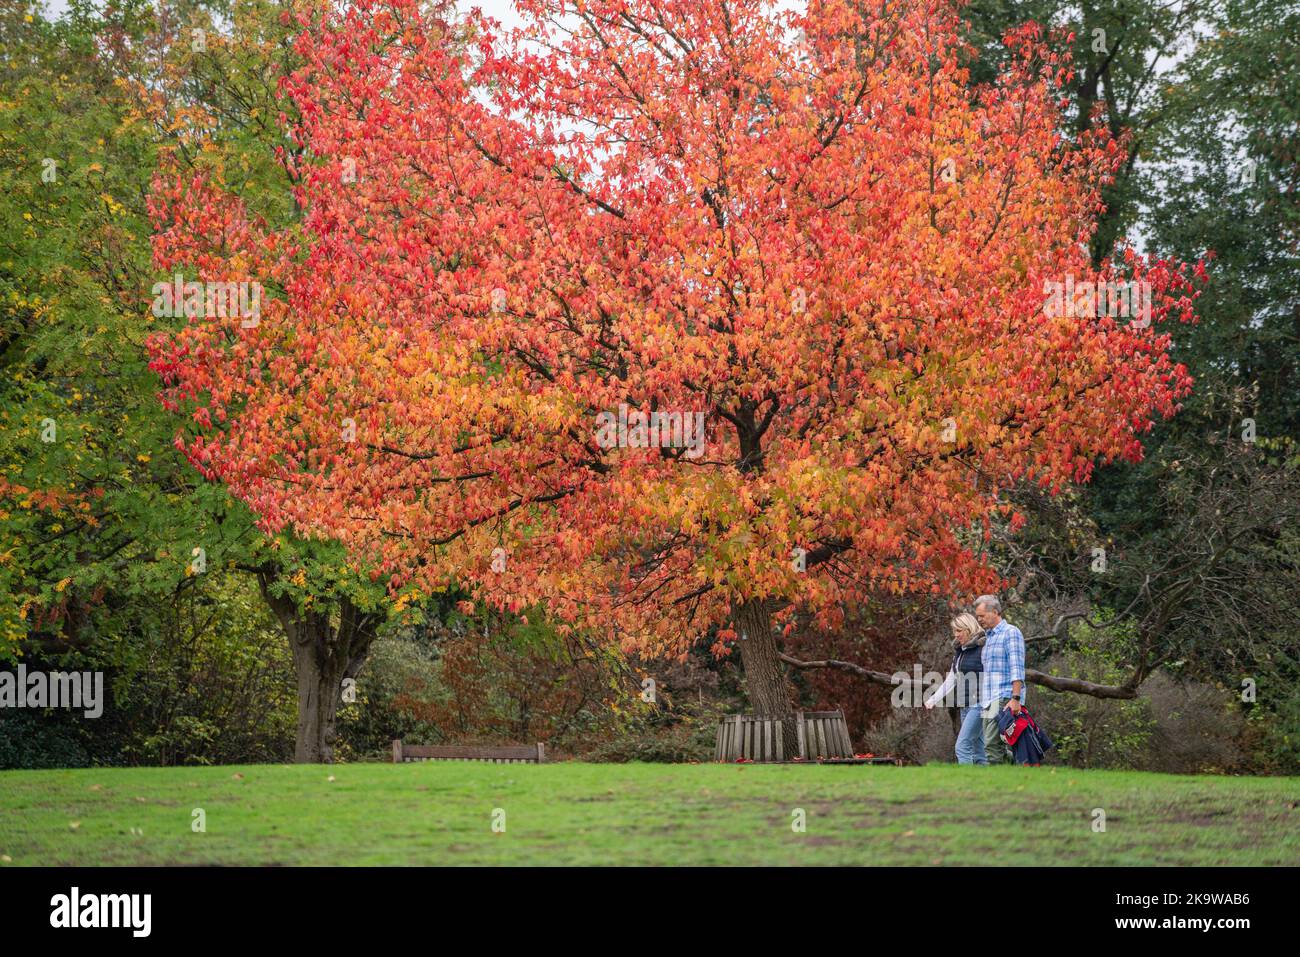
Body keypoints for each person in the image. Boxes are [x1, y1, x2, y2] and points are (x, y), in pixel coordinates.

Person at [924, 613, 987, 764]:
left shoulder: (984, 648)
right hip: (965, 706)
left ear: (969, 628)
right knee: (979, 750)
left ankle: (965, 783)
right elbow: (951, 679)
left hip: (980, 705)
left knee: (962, 746)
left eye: (959, 630)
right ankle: (985, 784)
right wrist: (933, 699)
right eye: (954, 631)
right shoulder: (960, 652)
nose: (956, 635)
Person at [974, 595, 1026, 766]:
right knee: (995, 746)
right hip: (988, 699)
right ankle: (1018, 771)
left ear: (995, 612)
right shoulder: (989, 638)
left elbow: (1017, 668)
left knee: (991, 745)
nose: (979, 620)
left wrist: (1016, 698)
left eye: (982, 616)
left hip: (1004, 697)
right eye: (977, 616)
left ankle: (995, 784)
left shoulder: (1011, 633)